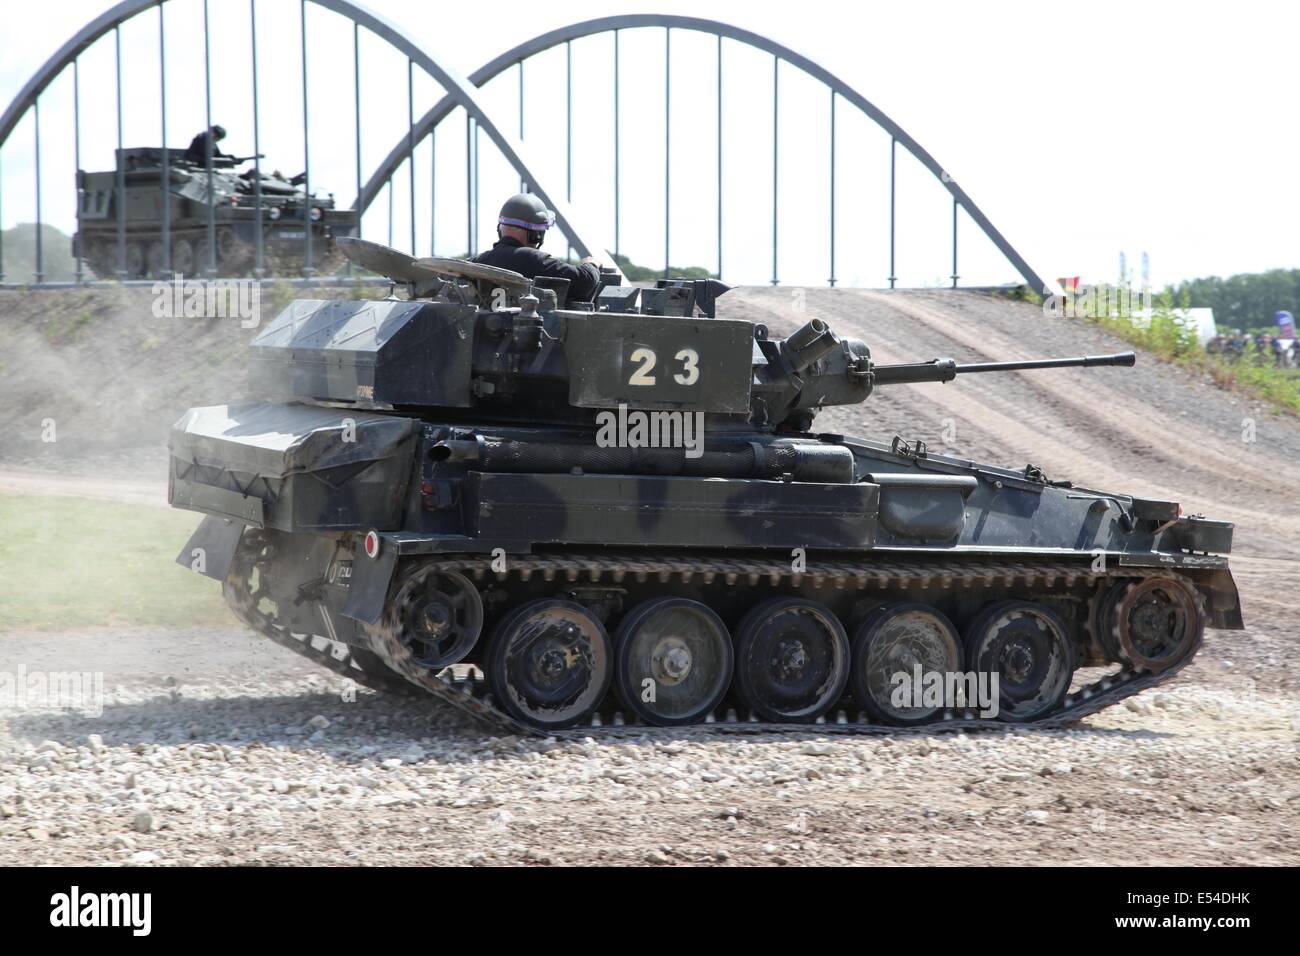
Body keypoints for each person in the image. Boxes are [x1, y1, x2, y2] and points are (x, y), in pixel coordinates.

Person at [472, 193, 602, 302]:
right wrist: (591, 265)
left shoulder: (476, 263)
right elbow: (585, 282)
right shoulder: (534, 260)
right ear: (536, 235)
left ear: (500, 229)